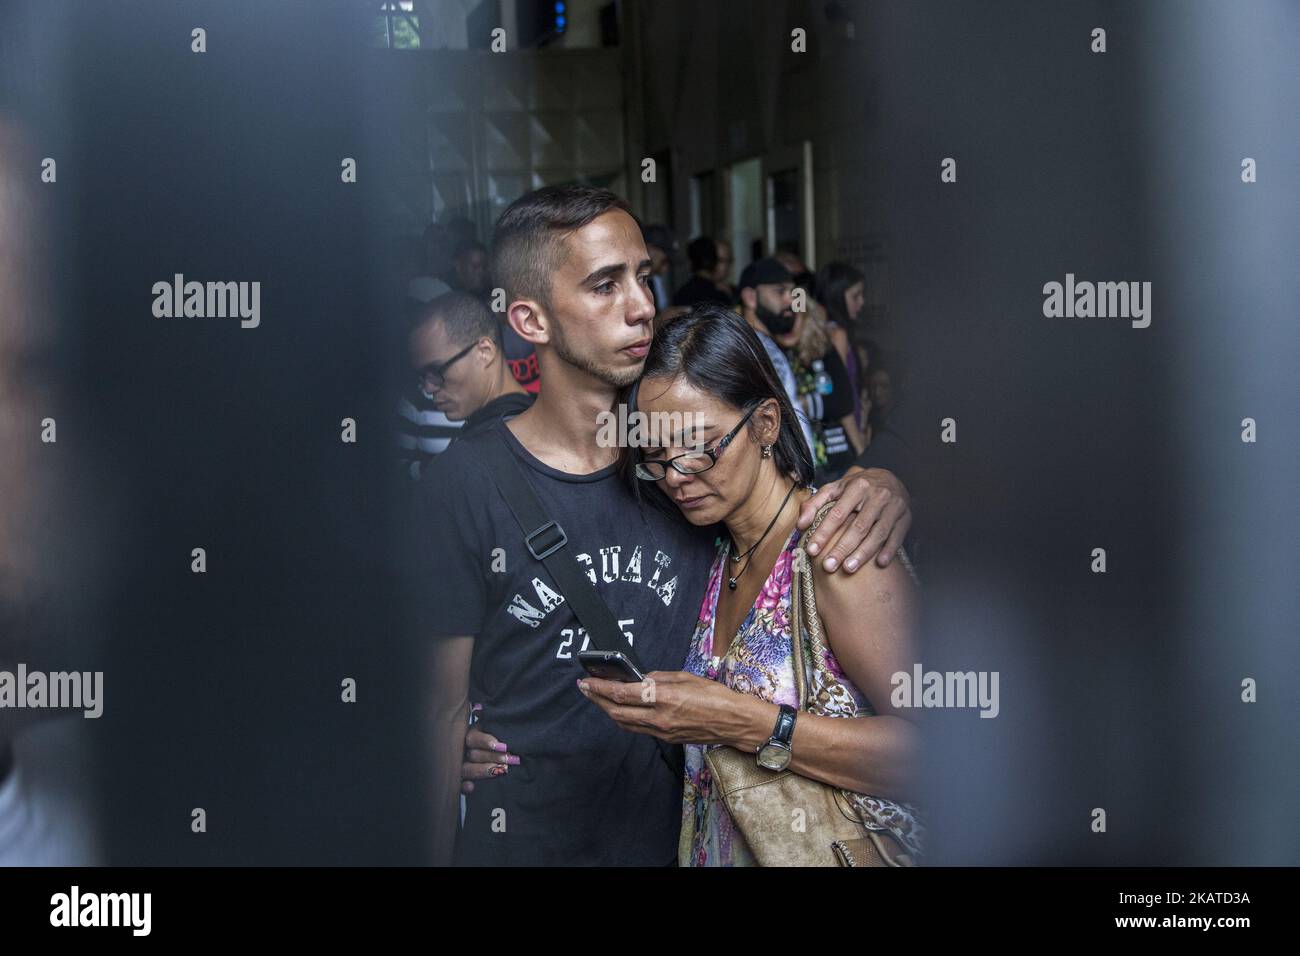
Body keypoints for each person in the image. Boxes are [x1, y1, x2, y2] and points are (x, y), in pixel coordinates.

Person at [415, 185, 913, 866]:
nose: (642, 304)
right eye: (605, 285)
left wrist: (884, 482)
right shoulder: (466, 485)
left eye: (644, 276)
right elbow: (439, 714)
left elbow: (775, 486)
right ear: (529, 319)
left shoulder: (693, 473)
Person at [578, 305, 924, 865]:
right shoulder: (712, 552)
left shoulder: (837, 548)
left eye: (699, 447)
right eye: (656, 457)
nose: (676, 477)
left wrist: (750, 723)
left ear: (765, 423)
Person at [408, 291, 531, 441]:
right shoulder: (530, 424)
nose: (428, 388)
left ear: (484, 352)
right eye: (423, 376)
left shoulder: (499, 442)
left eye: (436, 371)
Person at [736, 257, 817, 456]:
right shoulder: (755, 349)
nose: (791, 301)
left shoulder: (761, 345)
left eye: (792, 292)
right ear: (751, 297)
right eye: (780, 291)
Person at [816, 260, 871, 428]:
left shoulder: (830, 330)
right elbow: (840, 392)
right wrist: (857, 439)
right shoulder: (837, 334)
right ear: (837, 295)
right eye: (855, 296)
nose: (861, 302)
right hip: (845, 430)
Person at [671, 236, 734, 308]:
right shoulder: (719, 297)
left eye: (722, 260)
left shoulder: (682, 294)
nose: (718, 265)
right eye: (719, 260)